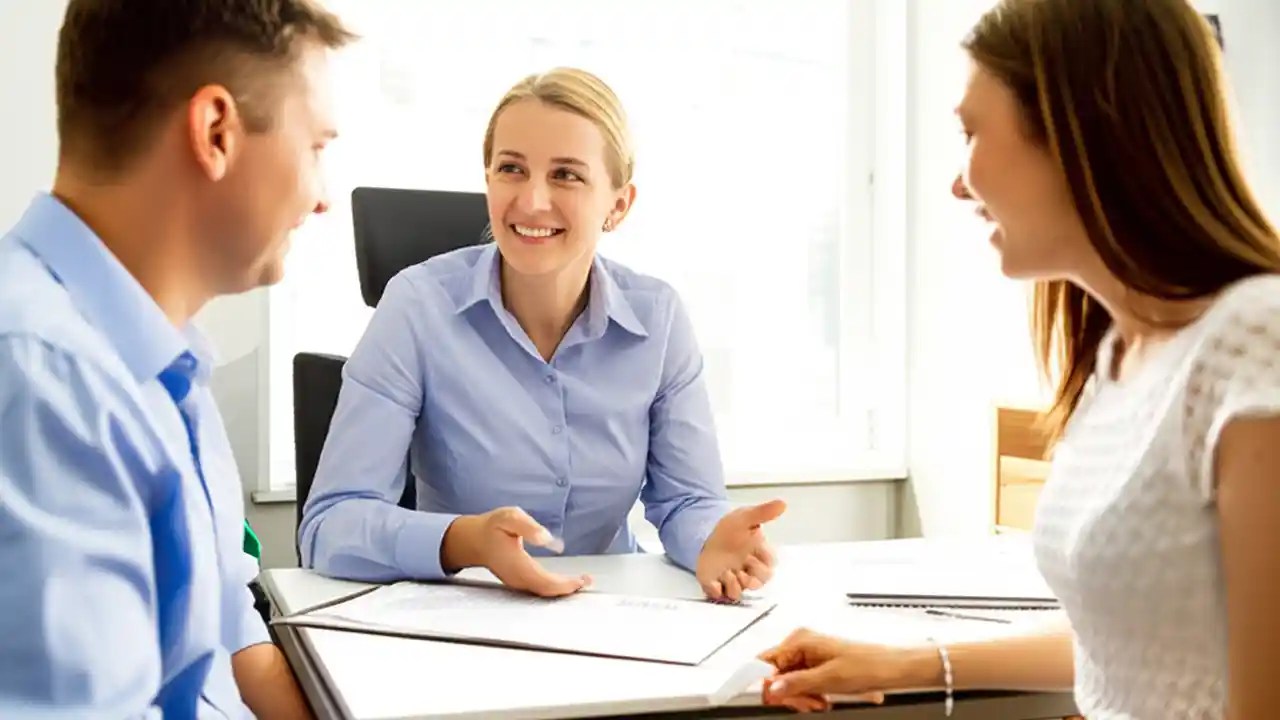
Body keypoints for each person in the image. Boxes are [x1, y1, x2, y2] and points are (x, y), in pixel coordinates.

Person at [758, 1, 1280, 717]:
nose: (958, 183)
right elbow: (1136, 642)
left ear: (1079, 132)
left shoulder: (1255, 339)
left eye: (971, 132)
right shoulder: (1119, 358)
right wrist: (900, 663)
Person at [299, 67, 785, 601]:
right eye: (511, 169)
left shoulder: (659, 318)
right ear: (488, 180)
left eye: (567, 175)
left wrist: (711, 539)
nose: (531, 201)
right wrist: (467, 541)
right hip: (467, 614)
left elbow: (688, 502)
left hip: (615, 615)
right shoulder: (417, 306)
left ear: (618, 205)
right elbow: (331, 524)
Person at [0, 1, 355, 716]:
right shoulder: (40, 378)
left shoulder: (164, 360)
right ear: (216, 130)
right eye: (316, 148)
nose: (321, 199)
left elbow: (226, 628)